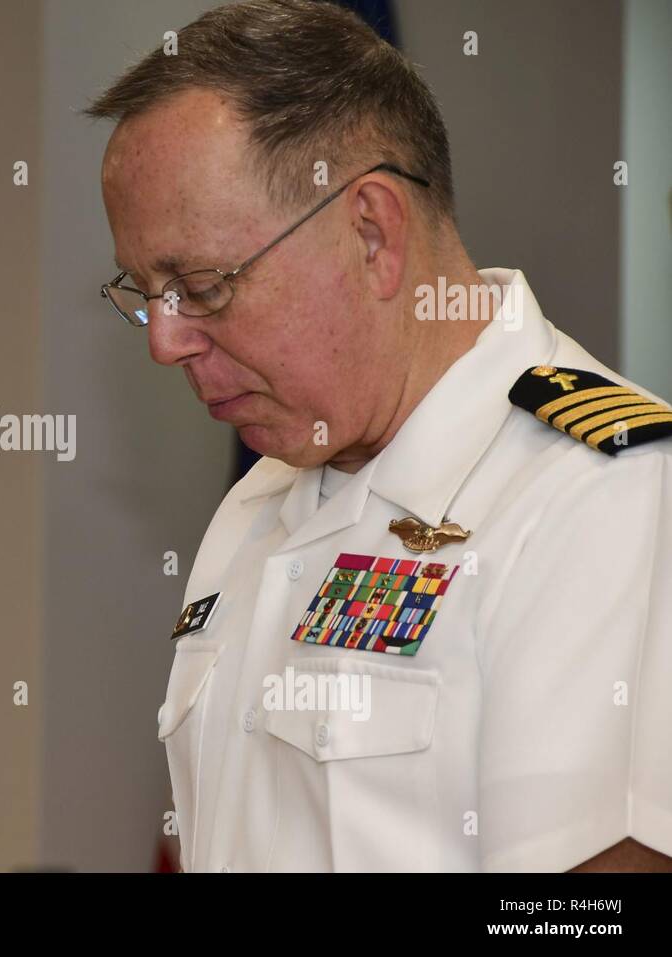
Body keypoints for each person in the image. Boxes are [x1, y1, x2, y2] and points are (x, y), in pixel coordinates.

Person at [85, 0, 672, 871]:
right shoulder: (258, 502)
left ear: (372, 232)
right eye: (144, 291)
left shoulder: (599, 497)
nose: (163, 341)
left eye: (201, 284)